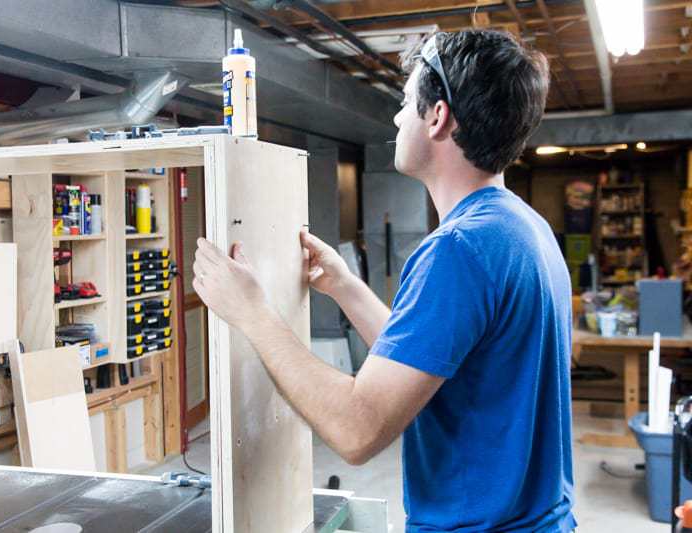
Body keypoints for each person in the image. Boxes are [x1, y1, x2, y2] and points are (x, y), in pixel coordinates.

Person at [193, 29, 575, 532]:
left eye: (404, 101)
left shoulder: (458, 250)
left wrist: (252, 313)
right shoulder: (522, 228)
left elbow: (358, 429)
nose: (396, 117)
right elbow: (430, 361)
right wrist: (346, 286)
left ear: (437, 117)